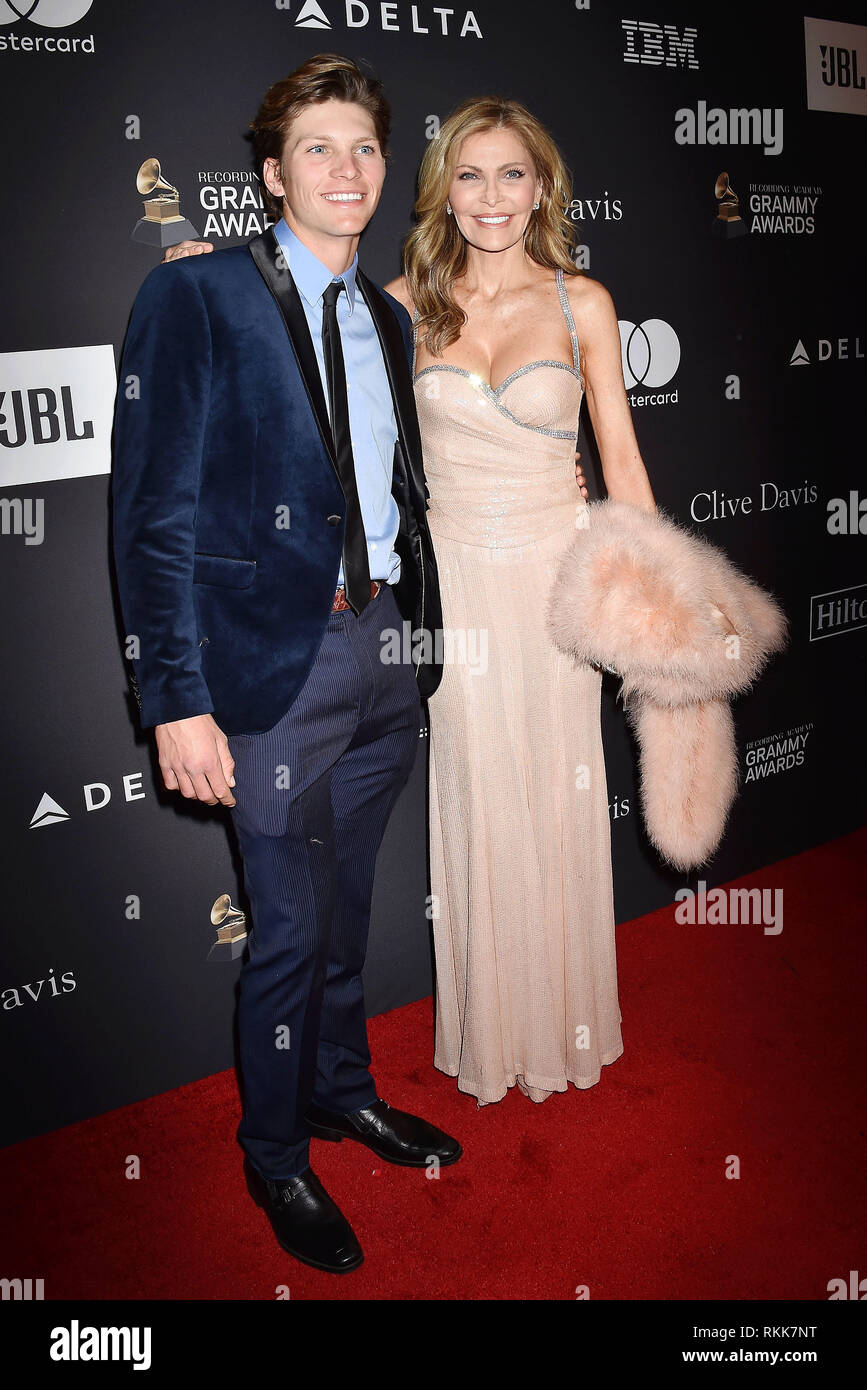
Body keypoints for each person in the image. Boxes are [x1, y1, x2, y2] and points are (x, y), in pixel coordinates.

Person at [111, 55, 461, 1278]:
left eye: (364, 148)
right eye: (318, 148)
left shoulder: (391, 314)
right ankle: (275, 1156)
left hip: (381, 658)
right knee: (287, 929)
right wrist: (175, 698)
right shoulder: (198, 297)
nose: (347, 169)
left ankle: (341, 1091)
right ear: (271, 173)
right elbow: (151, 516)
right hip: (266, 676)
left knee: (350, 914)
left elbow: (389, 486)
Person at [383, 98, 657, 1105]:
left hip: (555, 575)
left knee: (560, 790)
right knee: (476, 795)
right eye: (469, 175)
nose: (490, 198)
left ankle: (566, 1025)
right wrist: (207, 273)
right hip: (453, 582)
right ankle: (491, 1034)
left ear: (542, 186)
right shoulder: (404, 299)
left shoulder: (583, 301)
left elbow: (621, 460)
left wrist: (656, 593)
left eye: (511, 176)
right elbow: (304, 363)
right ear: (441, 188)